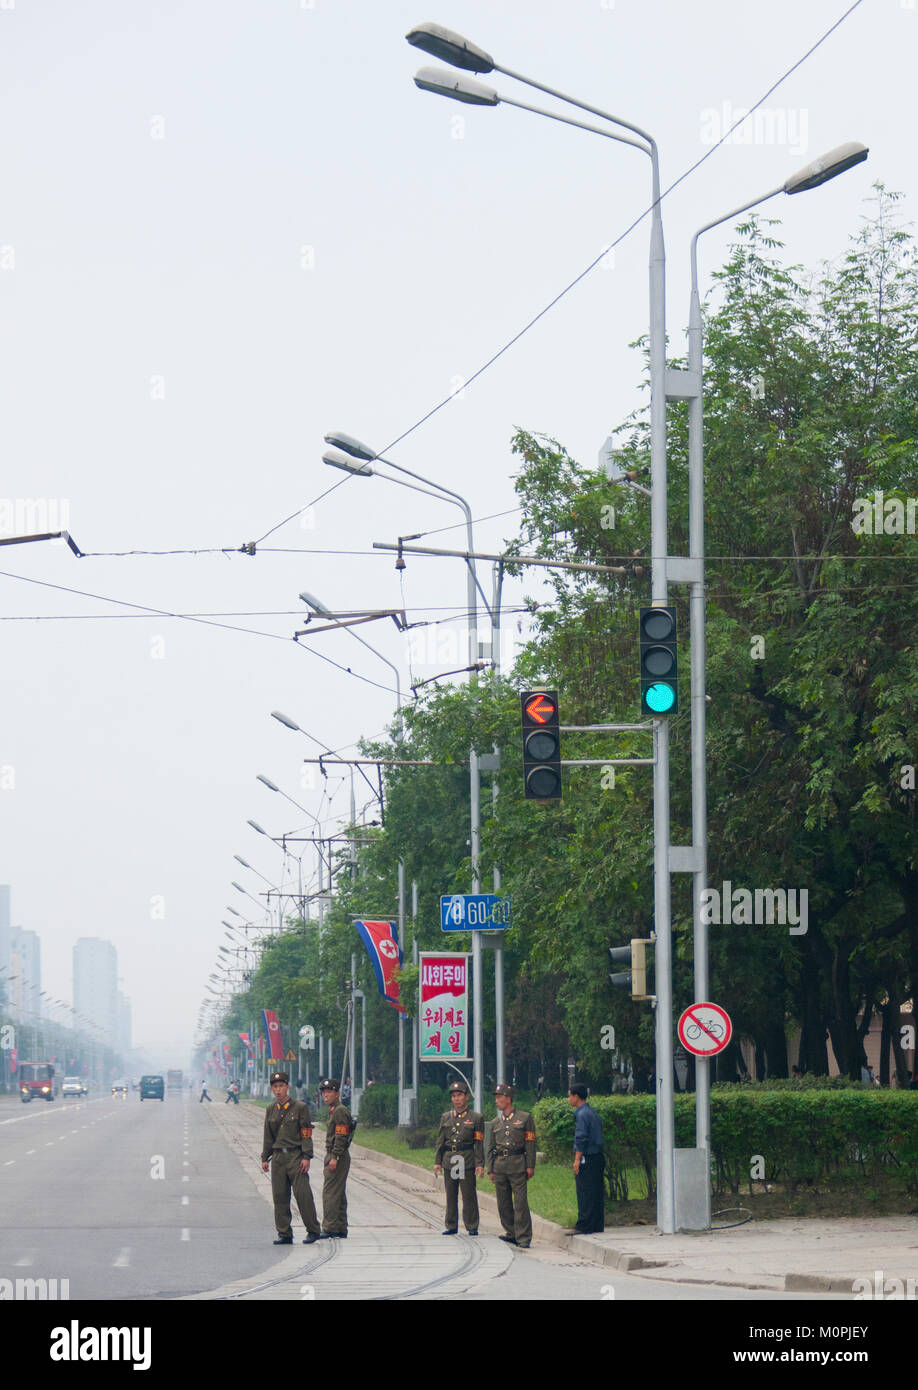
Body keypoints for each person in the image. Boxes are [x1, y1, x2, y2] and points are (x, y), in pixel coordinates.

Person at [260, 1070, 321, 1246]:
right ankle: (284, 1233)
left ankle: (313, 1230)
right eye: (275, 1087)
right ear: (272, 1089)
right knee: (279, 1196)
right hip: (278, 1157)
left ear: (287, 1087)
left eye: (281, 1086)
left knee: (303, 1195)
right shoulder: (271, 1109)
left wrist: (307, 1156)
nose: (278, 1090)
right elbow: (268, 1135)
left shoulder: (300, 1107)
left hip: (295, 1155)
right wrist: (265, 1157)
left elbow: (306, 1133)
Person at [486, 1083, 536, 1249]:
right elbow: (490, 1147)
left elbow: (530, 1143)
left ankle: (523, 1237)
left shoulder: (524, 1118)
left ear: (508, 1099)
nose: (496, 1101)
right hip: (500, 1167)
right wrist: (490, 1169)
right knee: (503, 1203)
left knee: (520, 1202)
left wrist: (530, 1165)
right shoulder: (495, 1122)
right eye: (496, 1098)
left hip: (518, 1165)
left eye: (499, 1098)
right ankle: (511, 1233)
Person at [433, 1080, 483, 1236]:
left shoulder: (475, 1118)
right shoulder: (446, 1117)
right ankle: (451, 1225)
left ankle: (472, 1225)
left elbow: (479, 1143)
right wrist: (437, 1161)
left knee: (468, 1194)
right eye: (454, 1096)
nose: (456, 1099)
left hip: (466, 1159)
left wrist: (480, 1163)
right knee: (451, 1194)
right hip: (450, 1159)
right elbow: (440, 1140)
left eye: (459, 1095)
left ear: (466, 1097)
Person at [567, 1084, 605, 1234]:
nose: (569, 1099)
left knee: (585, 1192)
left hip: (587, 1157)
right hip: (598, 1156)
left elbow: (581, 1138)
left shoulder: (581, 1114)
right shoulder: (592, 1113)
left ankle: (584, 1225)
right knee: (596, 1192)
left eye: (570, 1095)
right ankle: (596, 1224)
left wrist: (577, 1159)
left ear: (576, 1096)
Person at [318, 1078, 353, 1238]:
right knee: (338, 1192)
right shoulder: (335, 1109)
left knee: (330, 1192)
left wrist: (335, 1157)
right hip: (335, 1154)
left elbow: (341, 1135)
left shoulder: (339, 1110)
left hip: (337, 1155)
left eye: (329, 1092)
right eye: (324, 1092)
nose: (326, 1095)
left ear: (337, 1093)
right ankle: (340, 1227)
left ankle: (330, 1227)